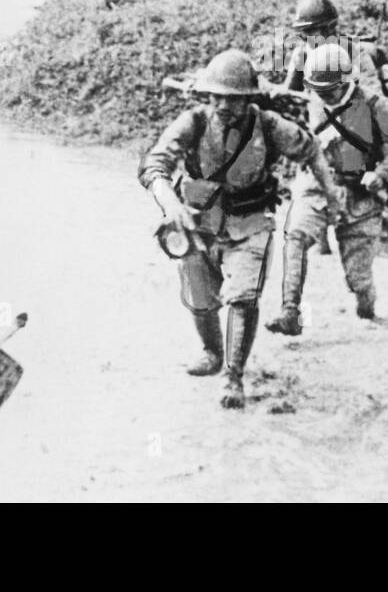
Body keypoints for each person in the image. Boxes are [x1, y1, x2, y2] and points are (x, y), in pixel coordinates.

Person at [138, 50, 339, 409]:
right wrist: (170, 203)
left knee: (243, 299)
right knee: (200, 299)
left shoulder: (269, 125)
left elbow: (311, 150)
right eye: (217, 97)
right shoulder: (193, 122)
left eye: (233, 99)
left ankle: (233, 374)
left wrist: (332, 195)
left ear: (248, 99)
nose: (223, 106)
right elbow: (155, 164)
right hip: (198, 224)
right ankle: (212, 351)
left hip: (251, 223)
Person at [266, 44, 388, 334]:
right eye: (317, 90)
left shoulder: (376, 106)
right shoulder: (314, 98)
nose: (322, 96)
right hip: (318, 186)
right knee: (295, 237)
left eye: (329, 90)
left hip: (360, 196)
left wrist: (382, 174)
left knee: (358, 279)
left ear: (346, 81)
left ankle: (366, 305)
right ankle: (290, 311)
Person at [275, 0, 388, 96]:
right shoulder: (302, 54)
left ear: (329, 28)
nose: (304, 36)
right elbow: (290, 91)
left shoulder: (353, 51)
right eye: (303, 31)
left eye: (310, 30)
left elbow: (373, 92)